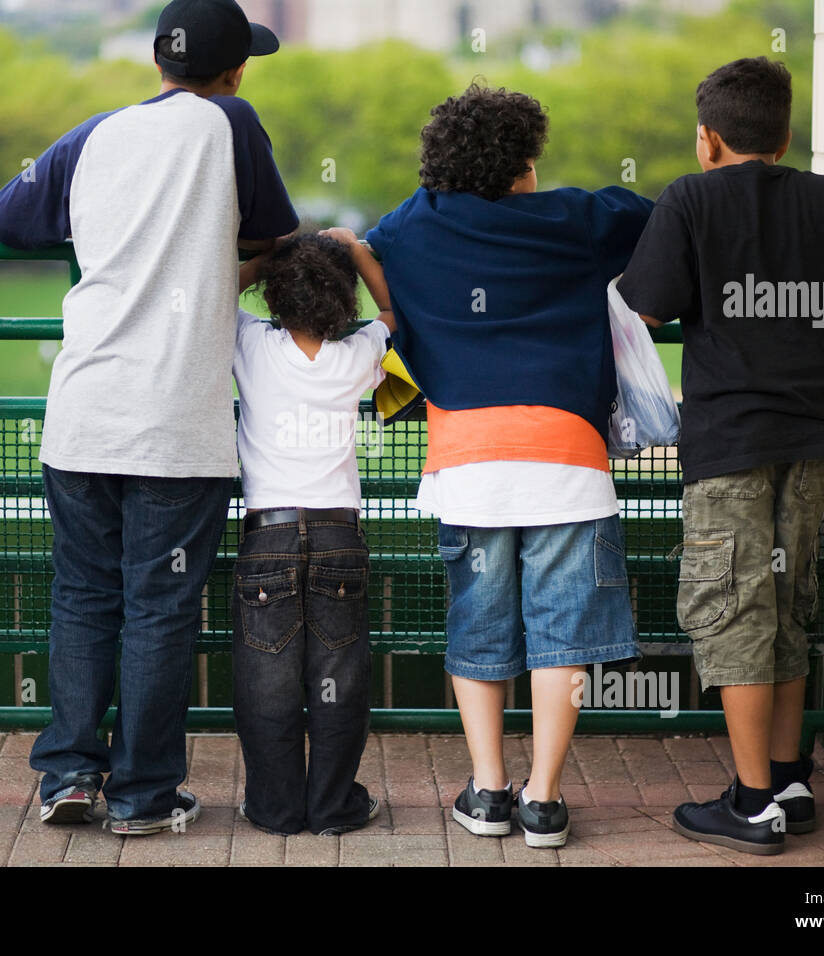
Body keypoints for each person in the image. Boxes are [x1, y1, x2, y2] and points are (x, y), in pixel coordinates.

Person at [0, 0, 299, 833]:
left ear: (158, 60)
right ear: (234, 71)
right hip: (176, 426)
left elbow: (1, 223)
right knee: (159, 609)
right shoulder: (233, 122)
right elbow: (277, 233)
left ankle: (68, 777)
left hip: (82, 410)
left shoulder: (96, 132)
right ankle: (141, 795)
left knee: (84, 597)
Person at [360, 84, 652, 847]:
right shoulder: (577, 220)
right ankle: (545, 801)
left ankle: (488, 792)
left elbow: (371, 246)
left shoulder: (412, 226)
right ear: (526, 162)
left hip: (467, 462)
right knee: (563, 637)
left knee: (480, 628)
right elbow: (650, 214)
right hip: (569, 457)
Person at [617, 57, 824, 854]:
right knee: (787, 607)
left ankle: (750, 804)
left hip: (730, 444)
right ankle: (788, 778)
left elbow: (649, 301)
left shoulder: (689, 199)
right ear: (785, 134)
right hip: (813, 443)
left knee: (733, 609)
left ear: (708, 139)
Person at [230, 234, 395, 835]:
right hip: (338, 538)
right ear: (342, 300)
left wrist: (267, 258)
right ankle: (332, 806)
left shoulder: (249, 342)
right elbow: (395, 314)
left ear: (276, 294)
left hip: (267, 536)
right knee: (339, 678)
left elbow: (213, 296)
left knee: (266, 678)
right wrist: (359, 254)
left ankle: (274, 808)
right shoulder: (358, 355)